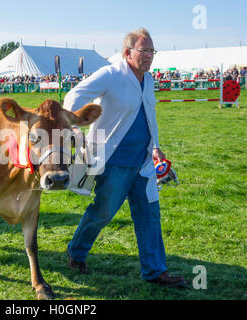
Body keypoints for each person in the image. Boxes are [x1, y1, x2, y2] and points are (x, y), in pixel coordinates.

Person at [63, 28, 186, 288]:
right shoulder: (110, 74)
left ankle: (155, 271)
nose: (150, 56)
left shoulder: (148, 79)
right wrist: (74, 126)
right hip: (113, 161)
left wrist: (155, 147)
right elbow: (73, 96)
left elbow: (148, 116)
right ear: (127, 53)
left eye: (152, 51)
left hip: (143, 163)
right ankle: (76, 252)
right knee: (103, 212)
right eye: (144, 51)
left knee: (149, 215)